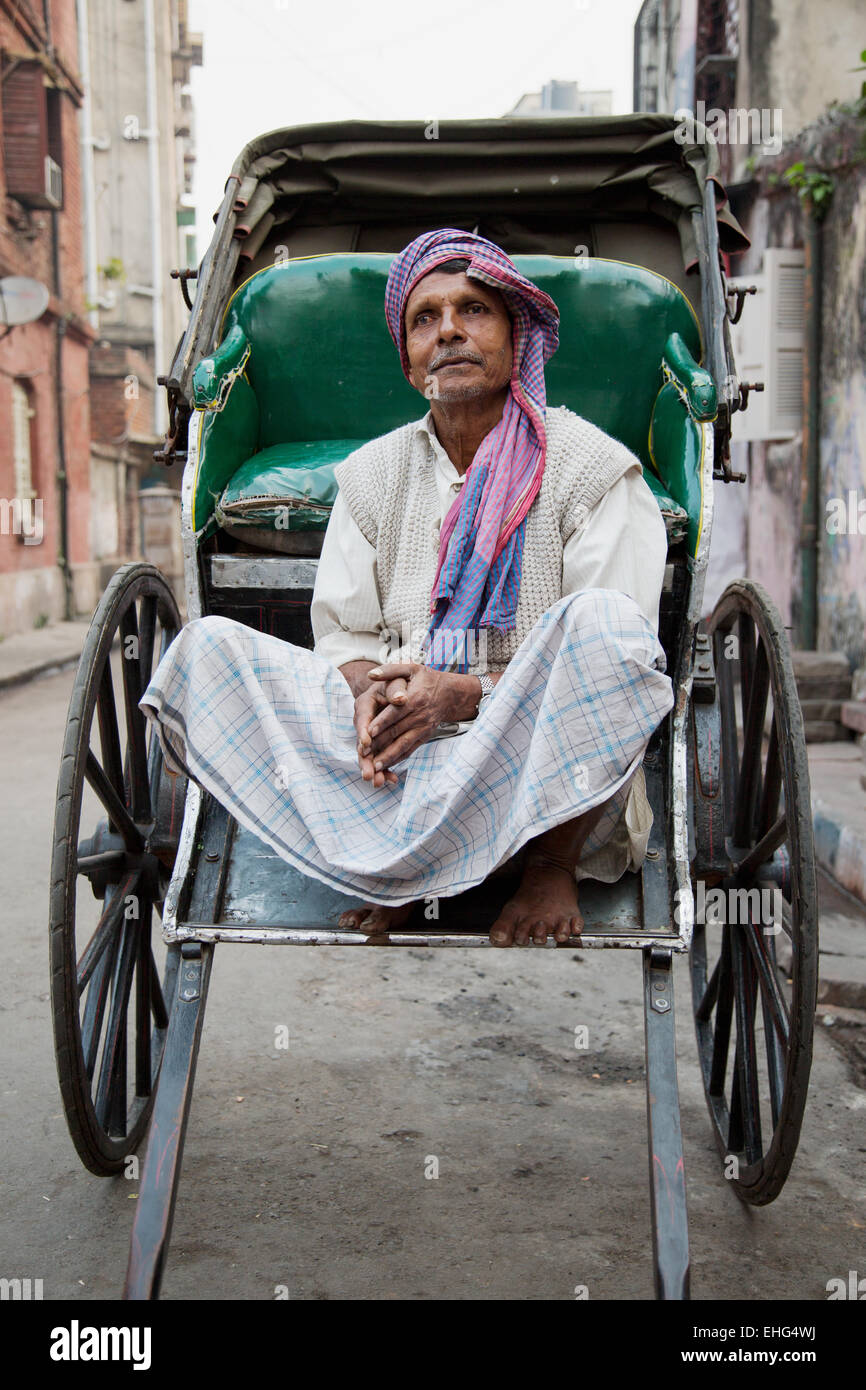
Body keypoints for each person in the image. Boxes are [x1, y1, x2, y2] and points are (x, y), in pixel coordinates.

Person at [139, 229, 673, 946]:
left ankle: (546, 867)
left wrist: (464, 694)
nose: (448, 330)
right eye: (426, 319)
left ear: (517, 338)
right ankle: (390, 865)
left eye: (473, 311)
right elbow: (347, 633)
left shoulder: (593, 468)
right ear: (407, 357)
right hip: (402, 769)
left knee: (608, 628)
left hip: (542, 780)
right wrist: (372, 694)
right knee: (209, 651)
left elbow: (616, 666)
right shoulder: (370, 474)